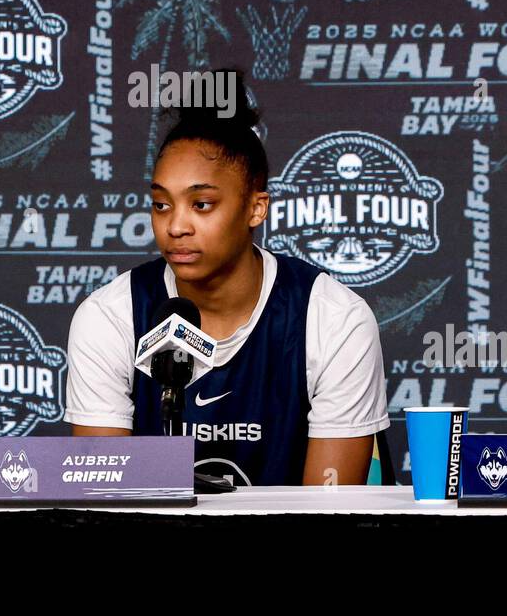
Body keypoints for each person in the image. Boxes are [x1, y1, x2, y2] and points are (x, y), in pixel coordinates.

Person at [65, 72, 390, 486]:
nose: (176, 226)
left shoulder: (335, 319)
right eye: (161, 205)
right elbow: (103, 498)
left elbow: (326, 516)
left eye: (201, 204)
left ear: (256, 209)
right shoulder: (109, 318)